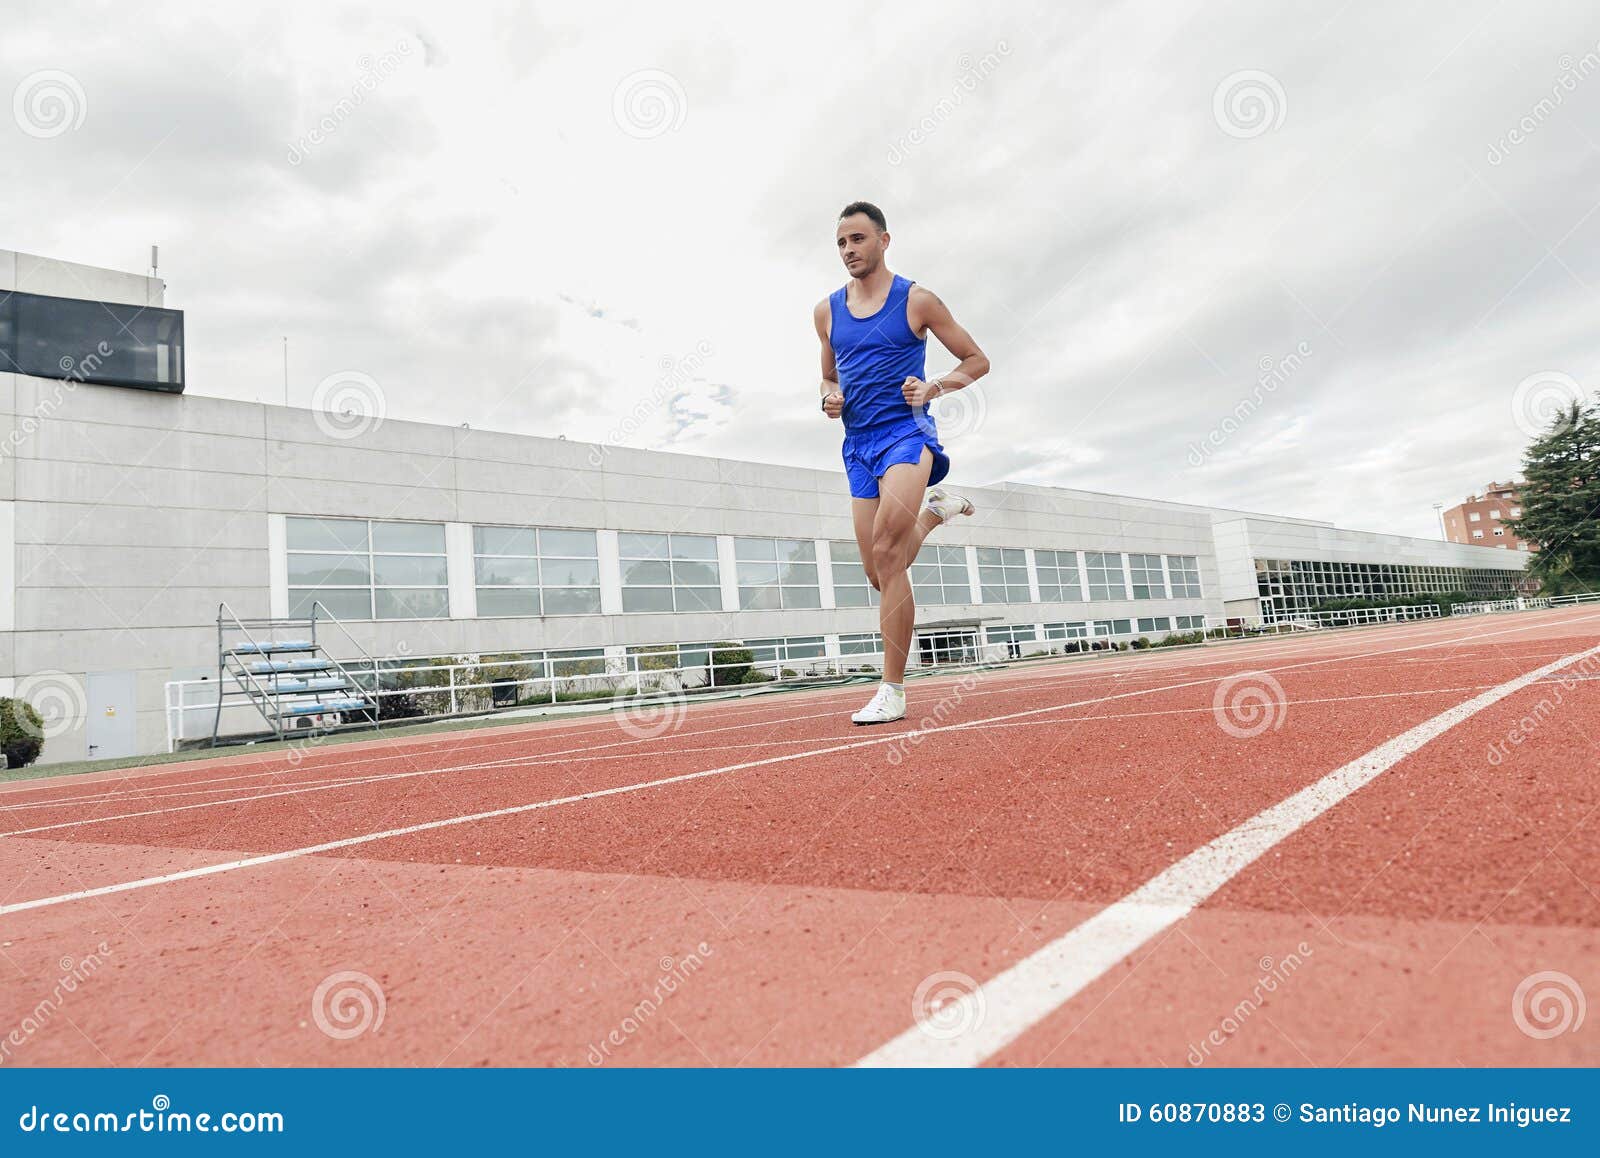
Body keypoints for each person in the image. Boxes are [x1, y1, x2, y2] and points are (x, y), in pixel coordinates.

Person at [815, 200, 991, 724]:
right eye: (842, 242)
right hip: (858, 445)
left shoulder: (916, 300)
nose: (849, 250)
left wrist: (933, 386)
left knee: (890, 552)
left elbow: (977, 359)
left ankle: (892, 689)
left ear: (884, 241)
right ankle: (937, 511)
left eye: (858, 240)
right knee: (878, 569)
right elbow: (828, 376)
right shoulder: (826, 311)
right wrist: (829, 397)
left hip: (904, 435)